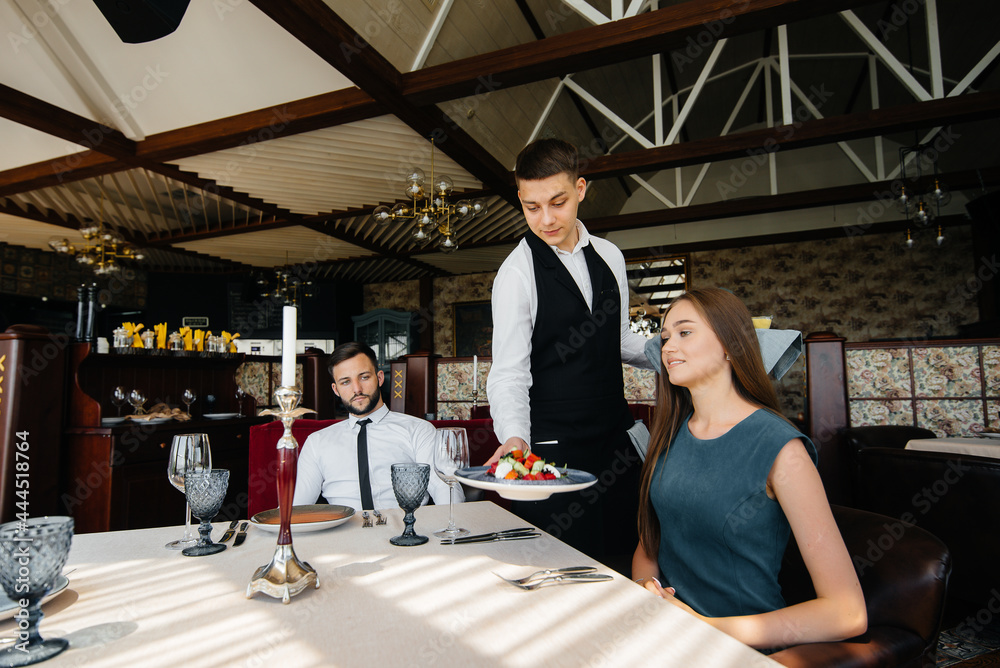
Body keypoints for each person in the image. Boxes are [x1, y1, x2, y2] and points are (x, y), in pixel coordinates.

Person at [632, 288, 866, 651]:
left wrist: (701, 628)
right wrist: (649, 599)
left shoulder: (782, 449)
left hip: (738, 648)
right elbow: (650, 547)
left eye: (685, 332)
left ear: (730, 345)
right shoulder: (669, 433)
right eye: (665, 337)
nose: (667, 347)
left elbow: (847, 612)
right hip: (669, 638)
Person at [485, 138, 655, 564]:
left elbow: (616, 342)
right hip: (552, 453)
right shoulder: (516, 273)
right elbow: (508, 373)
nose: (545, 219)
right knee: (560, 567)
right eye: (531, 206)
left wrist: (673, 352)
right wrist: (515, 440)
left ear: (580, 189)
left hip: (615, 443)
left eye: (557, 202)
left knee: (624, 554)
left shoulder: (610, 256)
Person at [294, 342, 458, 510]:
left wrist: (450, 529)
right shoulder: (317, 442)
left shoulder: (418, 430)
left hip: (407, 530)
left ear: (379, 378)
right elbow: (298, 507)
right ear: (336, 390)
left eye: (364, 377)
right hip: (343, 532)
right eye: (345, 382)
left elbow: (444, 488)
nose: (357, 389)